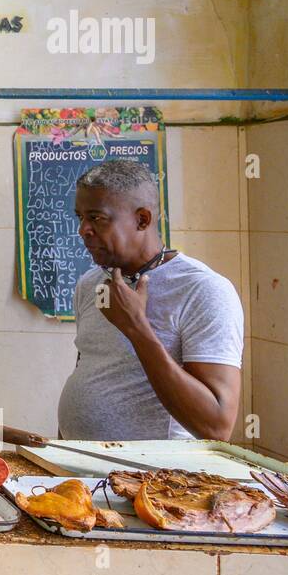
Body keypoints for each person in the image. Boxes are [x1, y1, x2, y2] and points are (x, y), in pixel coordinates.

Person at [58, 159, 243, 440]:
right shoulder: (91, 284)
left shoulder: (204, 290)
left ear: (142, 219)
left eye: (96, 218)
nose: (83, 229)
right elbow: (89, 373)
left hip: (158, 478)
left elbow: (217, 426)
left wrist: (135, 326)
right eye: (80, 217)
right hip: (83, 472)